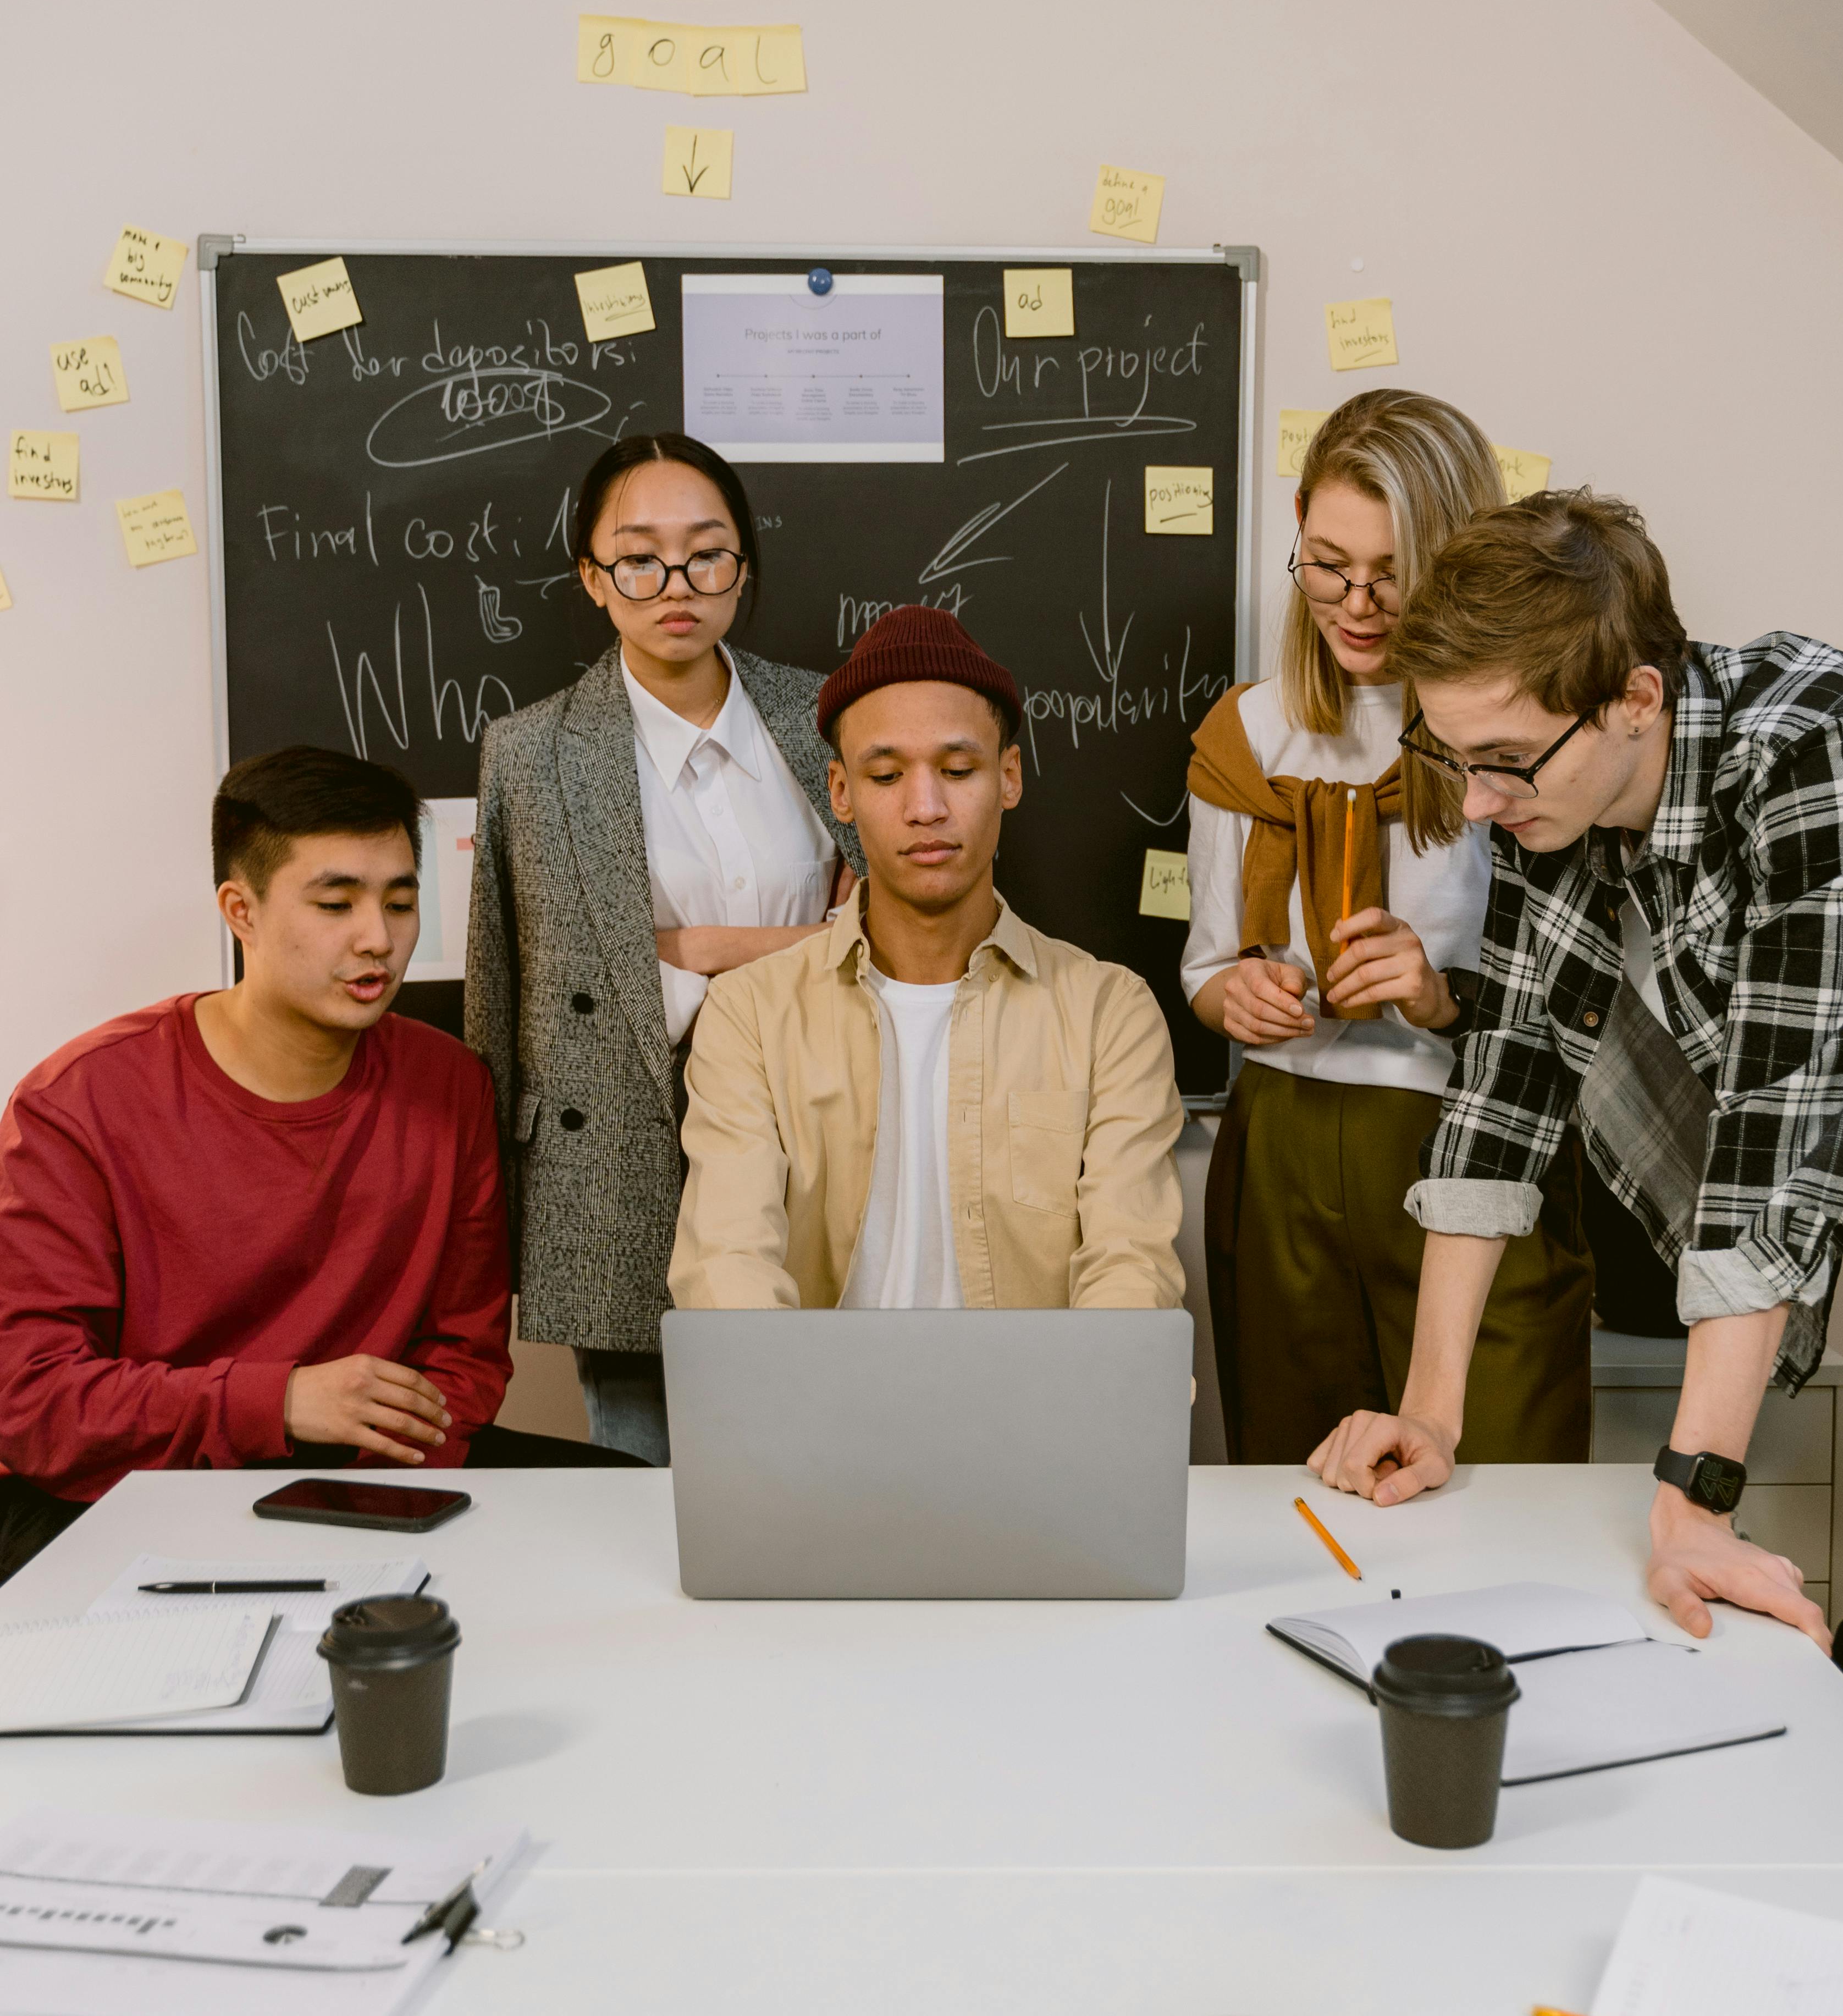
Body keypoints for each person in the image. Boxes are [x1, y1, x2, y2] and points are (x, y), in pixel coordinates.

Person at [1308, 488, 1843, 1807]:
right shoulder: (1562, 794)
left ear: (1633, 697)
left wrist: (1691, 1500)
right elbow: (1502, 1089)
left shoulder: (1820, 756)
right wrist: (1429, 1414)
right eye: (1454, 760)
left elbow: (1772, 1152)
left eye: (1504, 760)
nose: (1482, 802)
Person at [1184, 390, 1592, 1464]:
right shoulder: (1248, 730)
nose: (1357, 602)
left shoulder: (1517, 729)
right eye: (1327, 563)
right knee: (1298, 1487)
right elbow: (1203, 968)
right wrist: (1237, 995)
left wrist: (1434, 991)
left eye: (1392, 569)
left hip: (1472, 1132)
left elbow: (1578, 996)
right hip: (1278, 1138)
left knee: (1499, 1489)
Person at [0, 748, 512, 1580]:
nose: (377, 939)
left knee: (623, 1513)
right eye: (335, 903)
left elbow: (465, 1356)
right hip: (117, 1496)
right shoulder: (76, 1104)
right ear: (240, 910)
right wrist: (279, 1400)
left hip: (359, 1480)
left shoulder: (449, 1085)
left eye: (401, 901)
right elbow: (31, 1404)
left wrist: (370, 1508)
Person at [465, 434, 862, 1461]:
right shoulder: (531, 751)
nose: (674, 584)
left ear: (745, 566)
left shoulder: (832, 717)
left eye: (707, 553)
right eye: (638, 557)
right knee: (646, 1483)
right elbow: (520, 987)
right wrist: (797, 941)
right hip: (618, 1158)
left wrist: (690, 943)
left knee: (830, 1459)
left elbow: (896, 934)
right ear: (593, 578)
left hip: (823, 1124)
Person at [668, 605, 1185, 1310]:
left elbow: (1130, 1271)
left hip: (1030, 1413)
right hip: (820, 1411)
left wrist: (1068, 1413)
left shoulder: (1107, 1012)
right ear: (841, 793)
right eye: (885, 777)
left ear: (1008, 777)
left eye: (957, 768)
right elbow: (730, 1271)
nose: (925, 806)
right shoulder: (751, 1014)